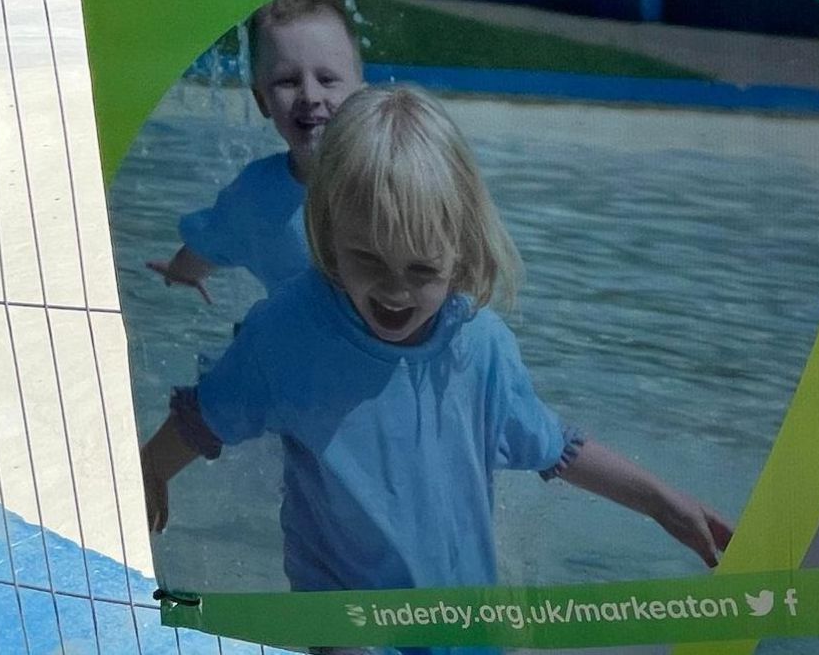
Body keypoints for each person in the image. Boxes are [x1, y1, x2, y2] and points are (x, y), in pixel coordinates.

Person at [139, 84, 731, 647]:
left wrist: (661, 502)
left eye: (422, 270)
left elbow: (556, 448)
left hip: (461, 615)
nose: (395, 290)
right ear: (329, 235)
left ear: (461, 253)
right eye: (368, 260)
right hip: (344, 620)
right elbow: (205, 418)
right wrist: (148, 472)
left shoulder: (479, 346)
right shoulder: (288, 334)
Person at [147, 0, 365, 302]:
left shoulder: (395, 177)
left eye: (327, 79)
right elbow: (211, 242)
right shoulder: (255, 195)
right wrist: (181, 271)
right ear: (262, 100)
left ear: (361, 93)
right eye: (288, 81)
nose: (310, 96)